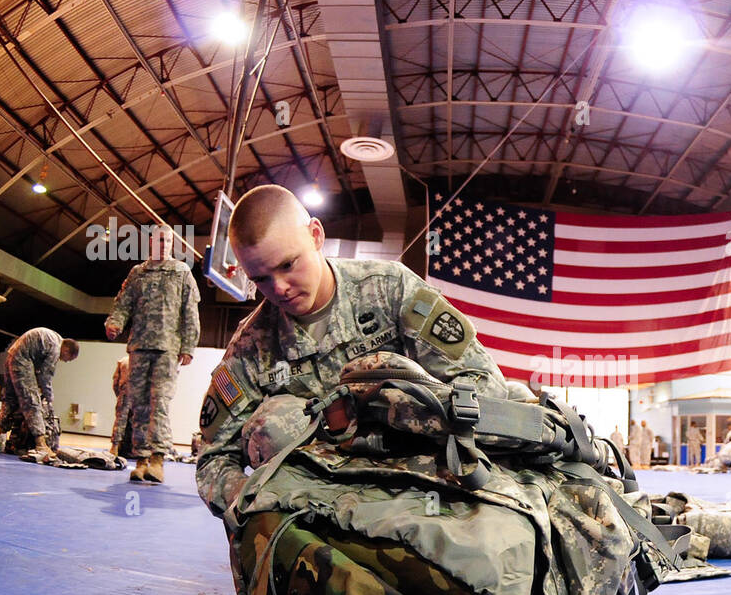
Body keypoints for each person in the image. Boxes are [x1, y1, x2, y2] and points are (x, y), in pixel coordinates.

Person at [196, 184, 508, 520]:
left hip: (415, 486)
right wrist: (256, 503)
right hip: (318, 508)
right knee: (275, 423)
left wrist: (409, 416)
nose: (279, 288)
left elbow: (483, 383)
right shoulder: (251, 346)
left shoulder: (390, 289)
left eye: (287, 264)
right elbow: (213, 459)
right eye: (260, 279)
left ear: (316, 235)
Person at [106, 225, 201, 484]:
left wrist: (189, 346)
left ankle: (158, 460)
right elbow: (123, 304)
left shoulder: (181, 272)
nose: (163, 245)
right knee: (138, 406)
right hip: (139, 347)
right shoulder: (138, 273)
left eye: (168, 241)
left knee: (159, 403)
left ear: (172, 244)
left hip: (168, 348)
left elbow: (190, 312)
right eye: (159, 240)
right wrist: (115, 323)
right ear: (150, 242)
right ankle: (141, 461)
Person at [0, 329, 80, 454]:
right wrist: (49, 396)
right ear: (66, 351)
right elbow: (45, 376)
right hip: (22, 359)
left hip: (12, 355)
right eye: (67, 359)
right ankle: (40, 443)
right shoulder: (56, 348)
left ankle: (1, 438)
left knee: (10, 398)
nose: (64, 361)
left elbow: (39, 372)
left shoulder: (53, 338)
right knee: (31, 401)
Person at [110, 355, 132, 456]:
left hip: (125, 392)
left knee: (120, 420)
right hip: (141, 395)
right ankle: (136, 448)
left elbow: (115, 379)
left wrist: (118, 394)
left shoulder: (123, 360)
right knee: (138, 422)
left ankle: (115, 447)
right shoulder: (146, 359)